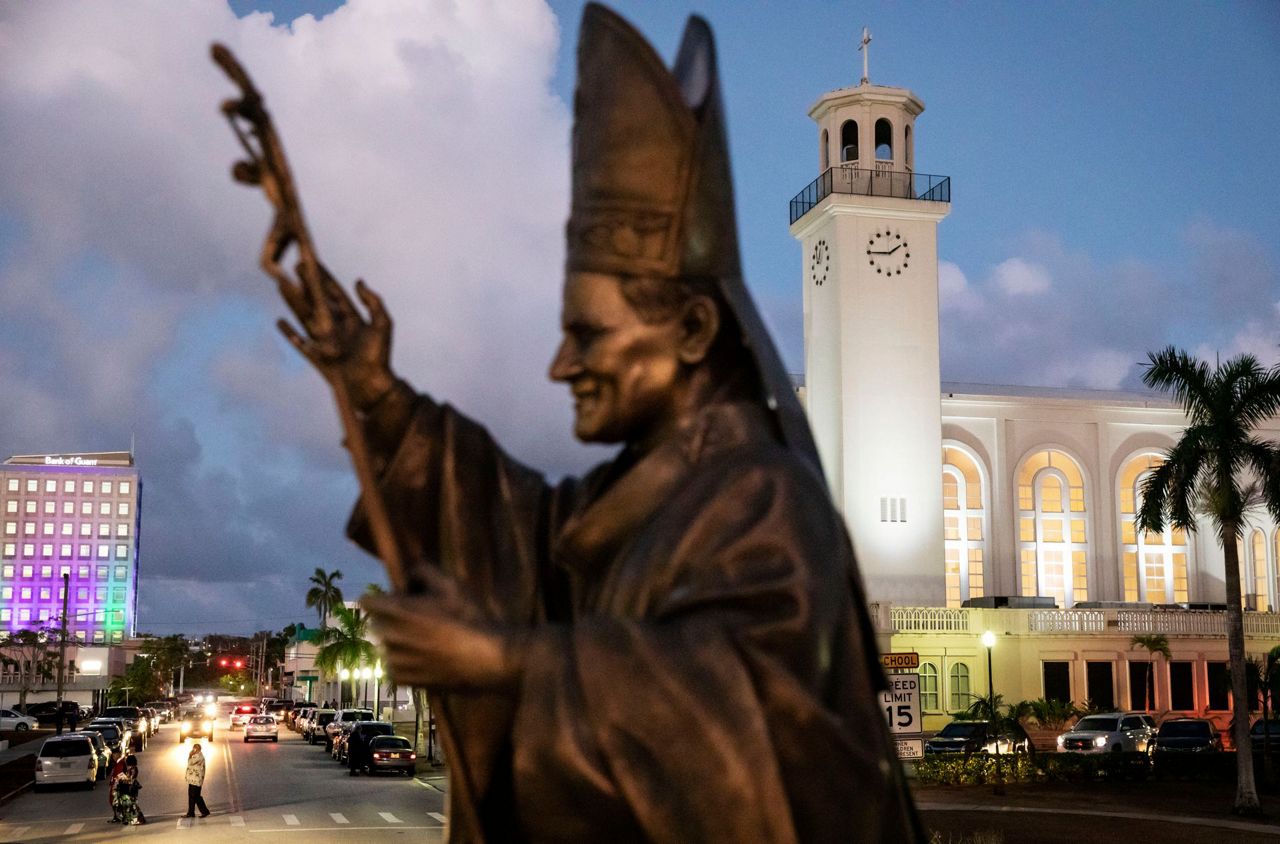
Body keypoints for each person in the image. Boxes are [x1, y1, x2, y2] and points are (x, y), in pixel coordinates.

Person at [265, 4, 921, 842]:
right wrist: (380, 396)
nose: (560, 366)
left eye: (588, 335)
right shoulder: (650, 491)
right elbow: (521, 526)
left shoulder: (765, 499)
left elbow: (743, 713)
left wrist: (509, 662)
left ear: (693, 329)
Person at [184, 743, 210, 818]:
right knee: (191, 796)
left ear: (198, 749)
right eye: (193, 748)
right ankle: (191, 812)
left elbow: (190, 762)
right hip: (193, 779)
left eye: (195, 748)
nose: (193, 750)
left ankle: (205, 811)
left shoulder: (198, 756)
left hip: (196, 780)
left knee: (196, 796)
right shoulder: (197, 755)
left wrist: (190, 755)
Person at [107, 755, 127, 823]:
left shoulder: (120, 763)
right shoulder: (118, 762)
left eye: (114, 755)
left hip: (117, 785)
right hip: (115, 784)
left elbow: (120, 774)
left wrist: (115, 785)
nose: (113, 757)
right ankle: (116, 816)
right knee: (114, 801)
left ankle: (121, 816)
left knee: (116, 801)